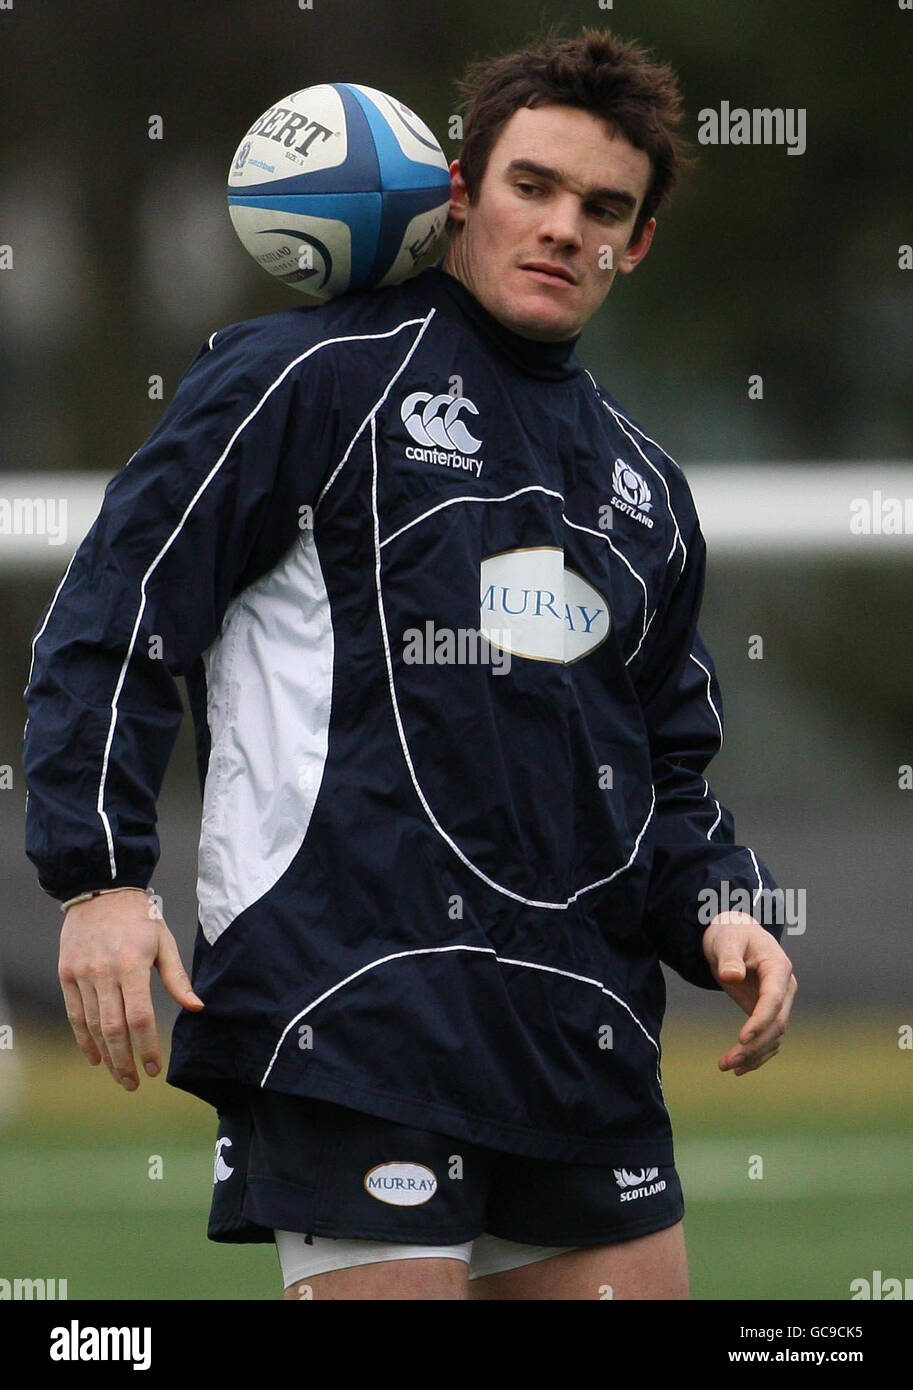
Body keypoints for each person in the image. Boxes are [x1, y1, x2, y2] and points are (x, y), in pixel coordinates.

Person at [23, 25, 797, 1301]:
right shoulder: (305, 378)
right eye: (531, 187)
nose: (562, 227)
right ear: (459, 195)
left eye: (603, 207)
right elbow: (115, 614)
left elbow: (664, 770)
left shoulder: (649, 490)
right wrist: (99, 878)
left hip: (578, 1038)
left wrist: (723, 907)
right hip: (356, 1011)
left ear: (637, 240)